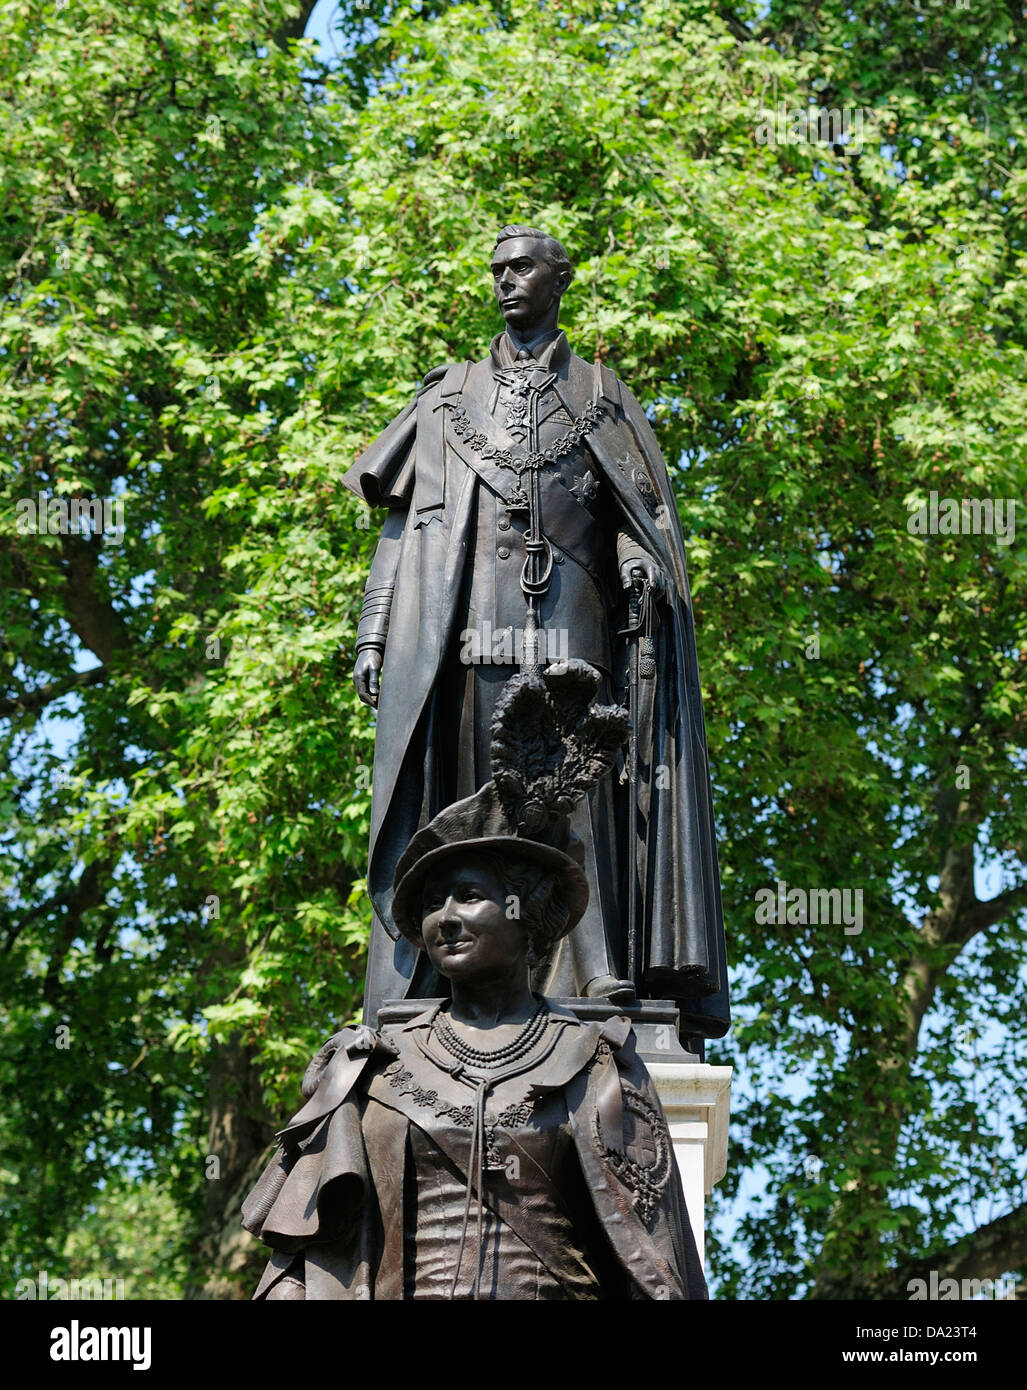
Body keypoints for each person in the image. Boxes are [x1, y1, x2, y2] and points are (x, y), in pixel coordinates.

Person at [343, 225, 728, 1042]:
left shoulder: (602, 393)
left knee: (574, 784)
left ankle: (593, 965)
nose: (503, 282)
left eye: (520, 269)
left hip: (574, 622)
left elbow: (633, 513)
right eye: (494, 271)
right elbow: (401, 531)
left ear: (559, 280)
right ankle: (458, 972)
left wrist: (638, 566)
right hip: (465, 623)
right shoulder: (446, 394)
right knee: (472, 790)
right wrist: (375, 632)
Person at [242, 664, 707, 1299]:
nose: (445, 919)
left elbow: (656, 1253)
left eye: (468, 897)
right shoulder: (370, 1066)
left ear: (526, 916)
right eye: (434, 903)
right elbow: (302, 1259)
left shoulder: (596, 1064)